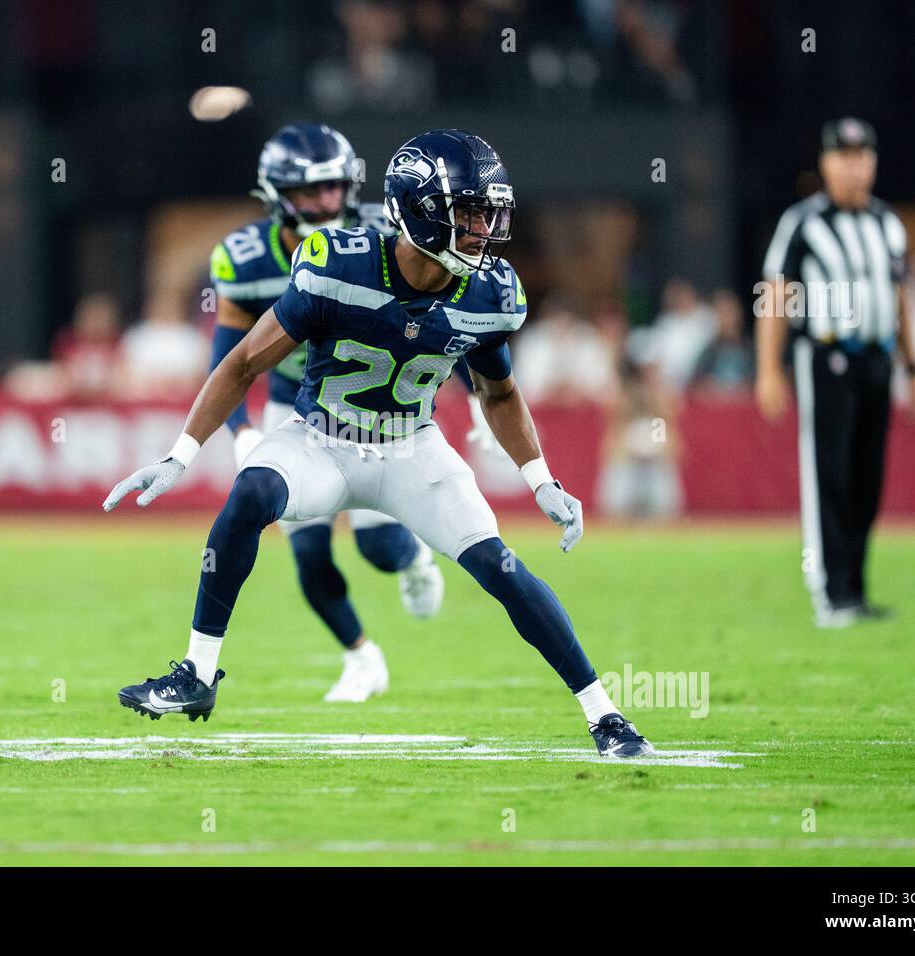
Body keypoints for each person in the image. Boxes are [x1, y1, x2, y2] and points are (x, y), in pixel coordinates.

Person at [103, 129, 654, 758]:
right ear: (421, 210)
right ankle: (197, 674)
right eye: (469, 213)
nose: (484, 229)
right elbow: (243, 364)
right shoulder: (338, 264)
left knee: (500, 567)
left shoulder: (487, 292)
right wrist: (182, 454)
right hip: (320, 440)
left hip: (411, 450)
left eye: (488, 212)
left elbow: (499, 393)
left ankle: (605, 716)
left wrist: (541, 479)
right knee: (253, 488)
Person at [202, 122, 479, 703]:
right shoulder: (244, 259)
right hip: (293, 402)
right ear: (275, 193)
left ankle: (414, 560)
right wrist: (241, 430)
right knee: (306, 549)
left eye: (334, 187)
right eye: (310, 192)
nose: (327, 202)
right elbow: (229, 361)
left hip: (374, 404)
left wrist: (477, 396)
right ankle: (362, 657)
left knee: (379, 549)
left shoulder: (391, 232)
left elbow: (453, 309)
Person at [756, 117, 915, 628]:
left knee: (867, 476)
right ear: (826, 163)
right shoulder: (803, 222)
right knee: (828, 473)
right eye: (844, 157)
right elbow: (776, 295)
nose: (855, 167)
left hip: (877, 359)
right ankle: (831, 594)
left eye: (863, 157)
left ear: (874, 162)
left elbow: (900, 298)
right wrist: (769, 369)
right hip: (827, 357)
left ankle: (855, 587)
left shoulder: (888, 223)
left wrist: (912, 365)